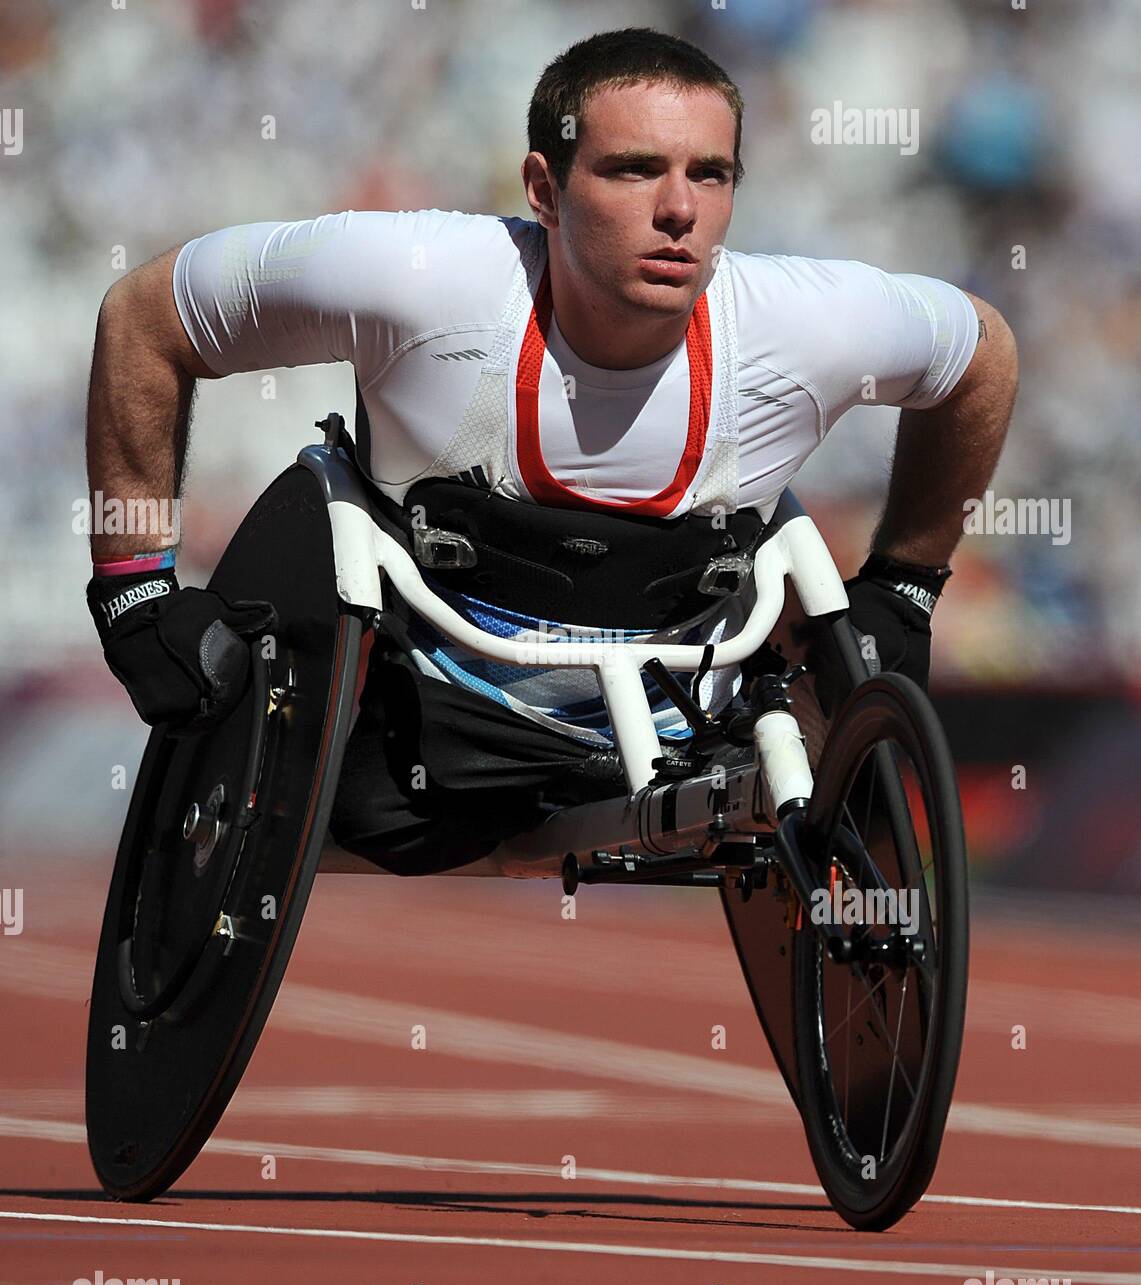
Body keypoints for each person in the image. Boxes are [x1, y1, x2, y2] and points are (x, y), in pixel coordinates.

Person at [84, 28, 1018, 875]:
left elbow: (982, 356)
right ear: (543, 190)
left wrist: (905, 584)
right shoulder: (415, 280)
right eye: (632, 169)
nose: (678, 210)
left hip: (691, 714)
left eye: (712, 174)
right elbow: (148, 317)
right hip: (420, 720)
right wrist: (134, 591)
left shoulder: (806, 325)